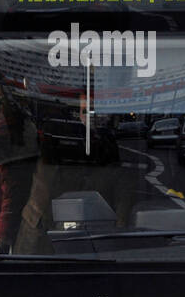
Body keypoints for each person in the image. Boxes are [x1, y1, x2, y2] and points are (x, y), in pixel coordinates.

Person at [14, 92, 134, 254]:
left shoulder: (108, 145)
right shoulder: (56, 136)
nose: (91, 116)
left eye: (95, 111)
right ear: (78, 115)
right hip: (43, 227)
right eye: (86, 111)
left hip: (89, 231)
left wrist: (118, 231)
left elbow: (122, 191)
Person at [0, 82, 35, 253]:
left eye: (2, 101)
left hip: (13, 234)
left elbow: (13, 191)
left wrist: (2, 238)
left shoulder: (15, 138)